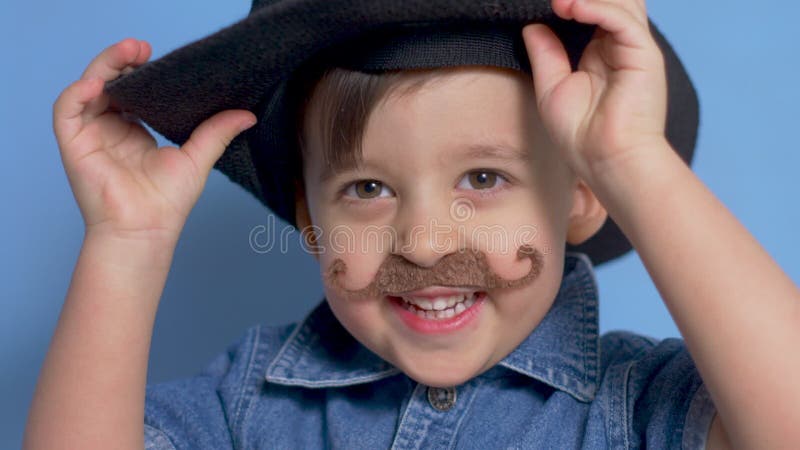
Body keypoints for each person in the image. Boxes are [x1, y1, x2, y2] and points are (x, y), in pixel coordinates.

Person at [23, 0, 800, 448]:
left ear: (583, 197)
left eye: (485, 177)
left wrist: (631, 159)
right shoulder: (248, 406)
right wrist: (126, 244)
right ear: (308, 215)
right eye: (367, 188)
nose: (424, 242)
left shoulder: (639, 407)